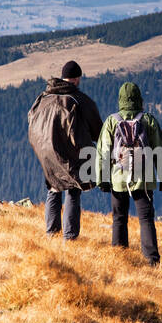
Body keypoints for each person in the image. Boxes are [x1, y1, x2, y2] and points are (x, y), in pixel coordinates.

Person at [27, 60, 103, 240]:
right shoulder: (78, 99)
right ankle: (70, 237)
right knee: (73, 188)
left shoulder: (43, 97)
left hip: (44, 150)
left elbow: (31, 118)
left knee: (53, 187)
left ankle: (51, 234)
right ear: (77, 79)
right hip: (70, 153)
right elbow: (98, 130)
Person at [97, 81, 162, 265]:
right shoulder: (148, 120)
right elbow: (160, 149)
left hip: (118, 179)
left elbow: (103, 152)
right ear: (139, 99)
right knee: (146, 219)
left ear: (120, 99)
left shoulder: (112, 121)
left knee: (119, 219)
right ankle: (152, 261)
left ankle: (119, 260)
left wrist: (103, 180)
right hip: (143, 180)